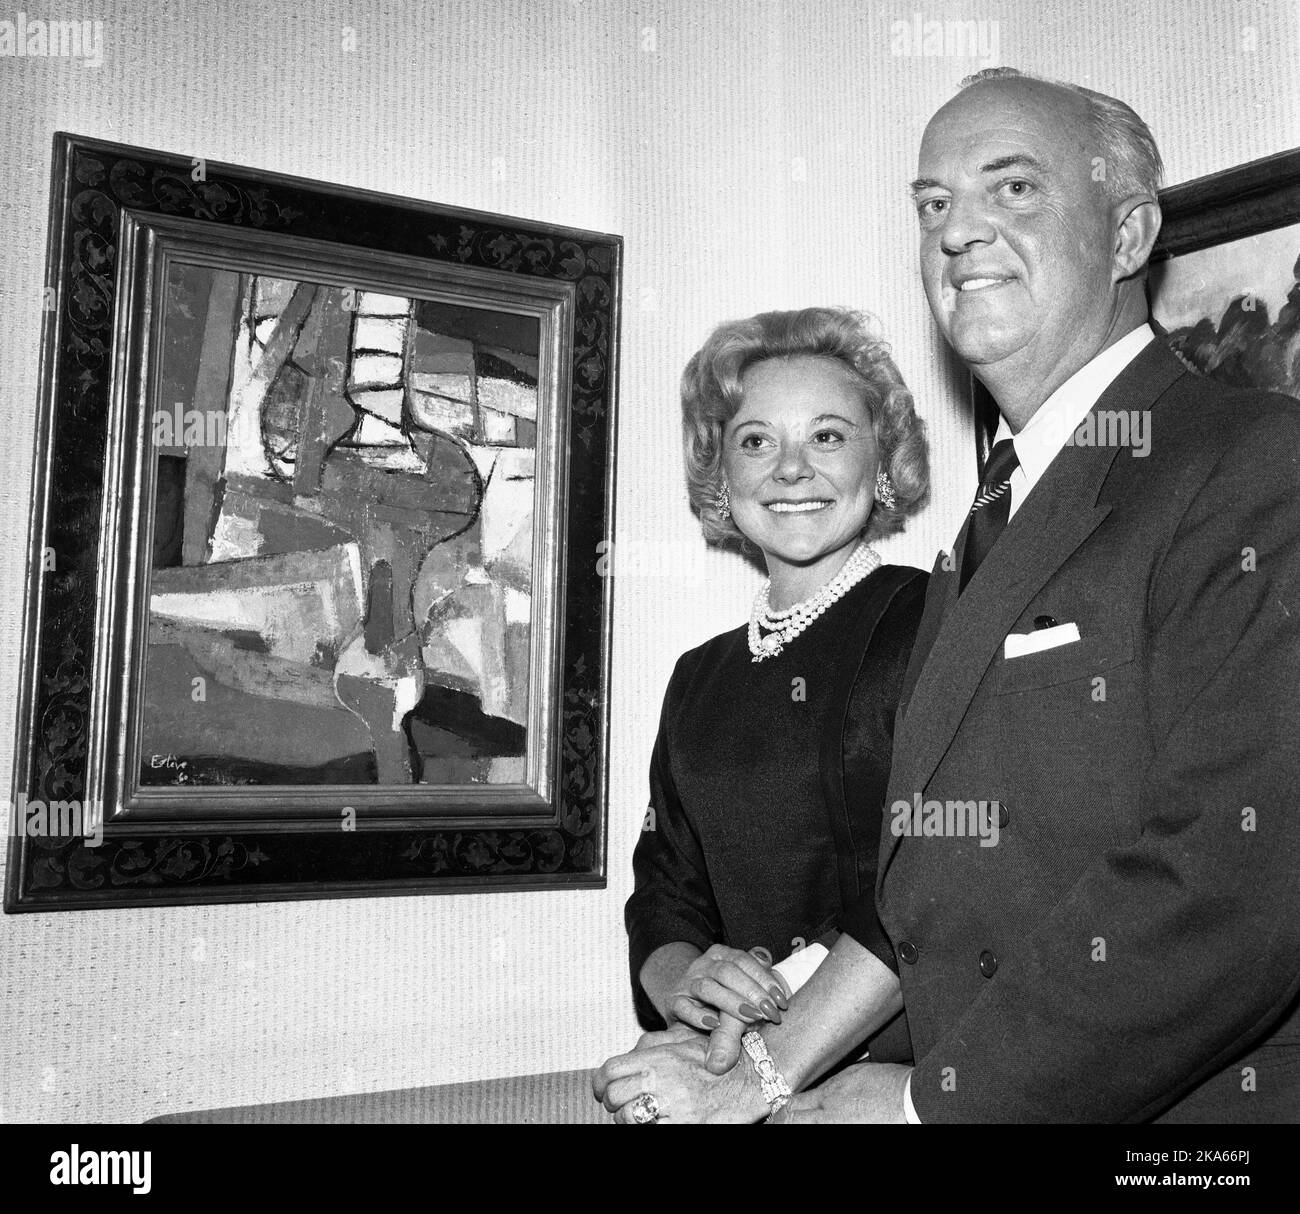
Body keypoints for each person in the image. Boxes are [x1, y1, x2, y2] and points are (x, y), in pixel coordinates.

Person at [596, 68, 1300, 1124]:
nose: (958, 232)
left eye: (1011, 189)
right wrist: (761, 1071)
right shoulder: (989, 523)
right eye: (933, 205)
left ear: (1125, 236)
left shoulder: (1253, 460)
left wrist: (936, 1103)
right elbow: (928, 885)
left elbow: (1235, 885)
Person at [614, 306, 930, 1118]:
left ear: (884, 461)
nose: (791, 469)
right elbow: (664, 890)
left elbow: (930, 878)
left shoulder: (931, 620)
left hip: (891, 1080)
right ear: (721, 476)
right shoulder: (699, 675)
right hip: (734, 1071)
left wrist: (762, 1035)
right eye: (757, 441)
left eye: (827, 436)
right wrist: (687, 979)